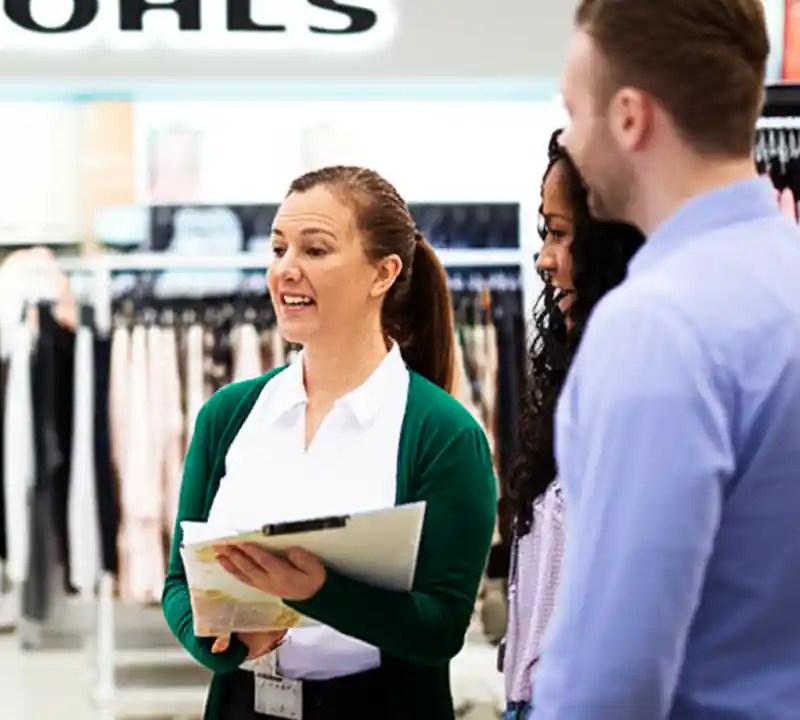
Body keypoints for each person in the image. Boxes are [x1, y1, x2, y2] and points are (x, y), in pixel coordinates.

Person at [535, 1, 800, 717]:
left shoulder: (659, 326)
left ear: (629, 118)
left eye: (573, 109)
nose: (569, 138)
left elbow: (607, 681)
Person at [163, 165, 498, 719]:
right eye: (278, 249)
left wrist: (317, 590)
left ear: (382, 273)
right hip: (244, 706)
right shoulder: (228, 415)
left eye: (314, 250)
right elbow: (179, 581)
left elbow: (440, 630)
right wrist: (222, 644)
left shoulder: (443, 435)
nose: (285, 270)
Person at [498, 130, 643, 720]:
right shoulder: (580, 379)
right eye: (545, 233)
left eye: (559, 234)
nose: (543, 259)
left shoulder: (650, 386)